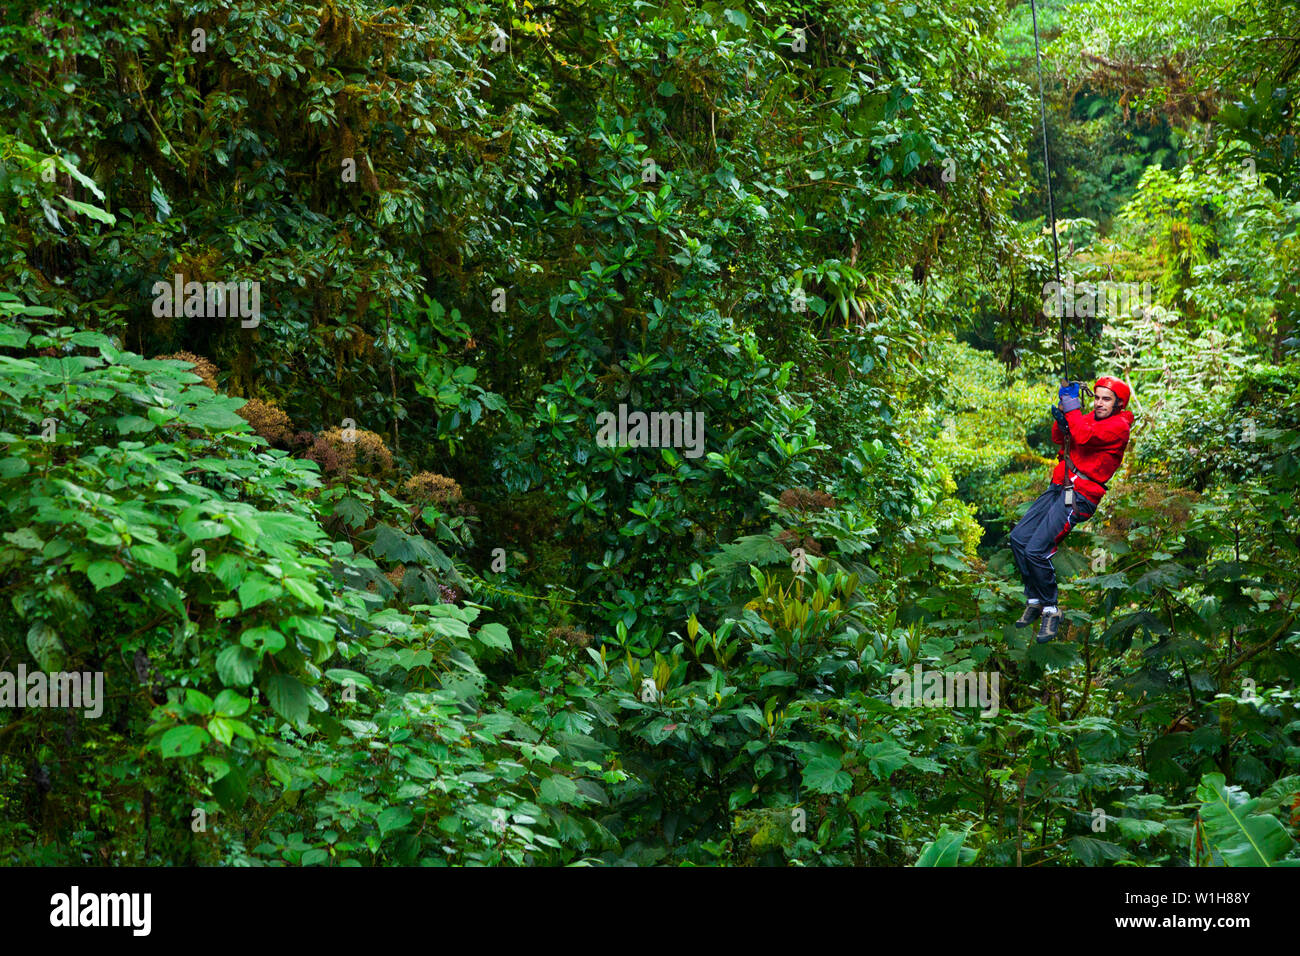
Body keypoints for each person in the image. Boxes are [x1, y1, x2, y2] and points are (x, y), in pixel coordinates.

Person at [1008, 376, 1133, 643]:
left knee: (1037, 550)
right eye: (1097, 397)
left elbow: (1084, 436)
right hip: (1060, 485)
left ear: (1118, 404)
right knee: (1018, 539)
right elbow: (1060, 437)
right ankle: (1034, 600)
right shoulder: (1087, 418)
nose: (1099, 403)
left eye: (1106, 399)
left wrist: (1072, 407)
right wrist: (1063, 414)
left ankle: (1051, 610)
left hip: (1080, 495)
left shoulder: (1119, 426)